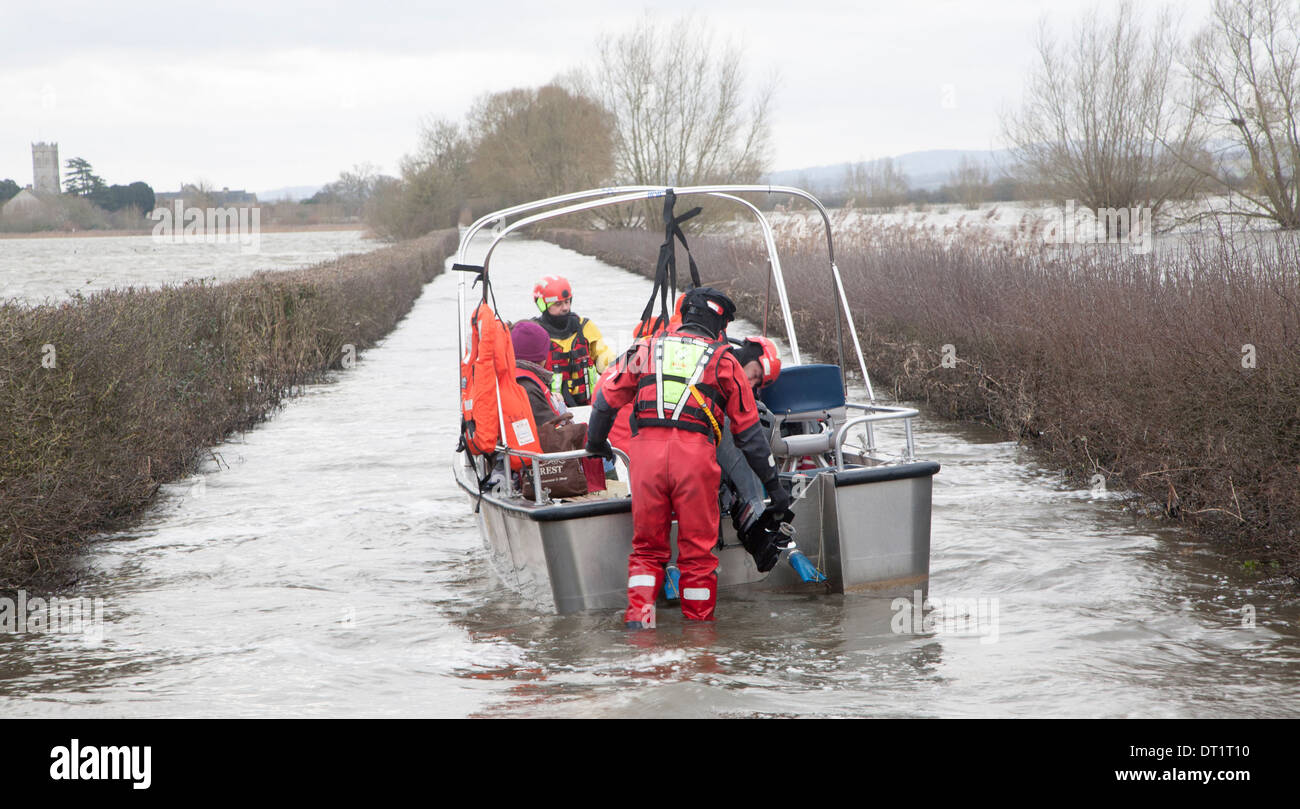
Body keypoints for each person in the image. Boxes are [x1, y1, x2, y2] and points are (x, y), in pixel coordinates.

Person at [585, 287, 791, 628]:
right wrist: (773, 486)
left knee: (647, 552)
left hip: (646, 459)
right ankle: (698, 641)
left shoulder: (644, 347)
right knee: (697, 556)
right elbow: (750, 435)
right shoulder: (724, 360)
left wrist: (595, 444)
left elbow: (605, 401)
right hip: (694, 460)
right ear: (718, 325)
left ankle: (641, 627)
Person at [532, 275, 616, 407]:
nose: (565, 308)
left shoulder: (585, 327)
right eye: (558, 304)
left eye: (567, 301)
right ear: (543, 305)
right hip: (551, 411)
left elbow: (606, 361)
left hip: (588, 406)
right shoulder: (534, 333)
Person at [510, 320, 570, 428]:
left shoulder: (510, 376)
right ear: (542, 355)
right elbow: (553, 435)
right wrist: (560, 408)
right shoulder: (529, 388)